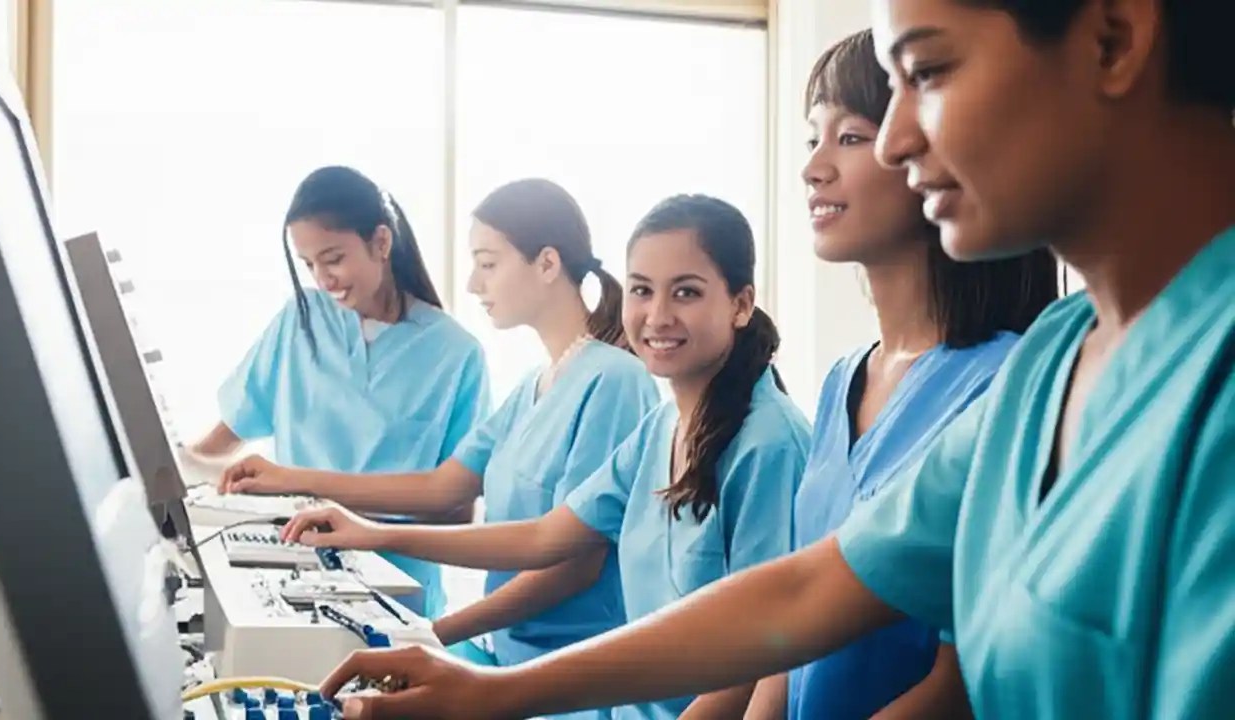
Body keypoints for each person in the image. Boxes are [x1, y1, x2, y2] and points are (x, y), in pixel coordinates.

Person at [307, 0, 1235, 718]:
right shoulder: (1050, 369)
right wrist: (490, 691)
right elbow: (807, 591)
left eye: (929, 72)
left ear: (1113, 39)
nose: (900, 139)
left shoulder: (1183, 379)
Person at [284, 194, 814, 719]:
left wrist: (436, 629)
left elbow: (761, 652)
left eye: (686, 293)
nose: (657, 316)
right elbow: (544, 536)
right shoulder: (660, 427)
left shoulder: (766, 442)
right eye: (641, 290)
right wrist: (374, 534)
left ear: (741, 304)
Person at [218, 179, 660, 712]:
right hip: (500, 656)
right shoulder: (534, 386)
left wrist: (431, 633)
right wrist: (310, 492)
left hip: (562, 683)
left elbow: (575, 562)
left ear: (547, 263)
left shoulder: (614, 381)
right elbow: (443, 486)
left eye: (488, 263)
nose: (473, 283)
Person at [739, 29, 1058, 720]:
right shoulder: (841, 382)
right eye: (812, 139)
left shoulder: (1006, 381)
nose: (813, 168)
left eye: (850, 137)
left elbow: (961, 681)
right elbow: (794, 625)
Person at [191, 165, 491, 618]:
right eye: (309, 265)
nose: (322, 278)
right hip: (293, 575)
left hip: (397, 595)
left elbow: (455, 511)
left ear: (381, 242)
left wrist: (326, 503)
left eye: (333, 259)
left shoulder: (456, 354)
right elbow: (216, 444)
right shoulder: (300, 322)